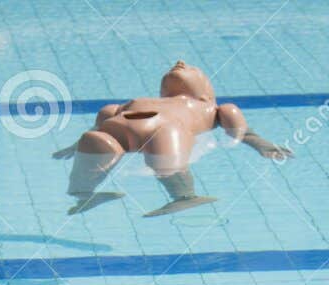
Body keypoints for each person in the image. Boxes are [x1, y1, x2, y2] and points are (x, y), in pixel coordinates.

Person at [51, 61, 291, 216]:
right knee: (95, 141)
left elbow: (240, 131)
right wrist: (76, 147)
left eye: (192, 68)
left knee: (164, 155)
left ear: (207, 91)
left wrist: (261, 144)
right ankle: (85, 195)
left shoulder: (212, 107)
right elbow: (104, 115)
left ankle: (184, 197)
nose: (180, 62)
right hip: (118, 129)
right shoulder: (150, 101)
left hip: (167, 129)